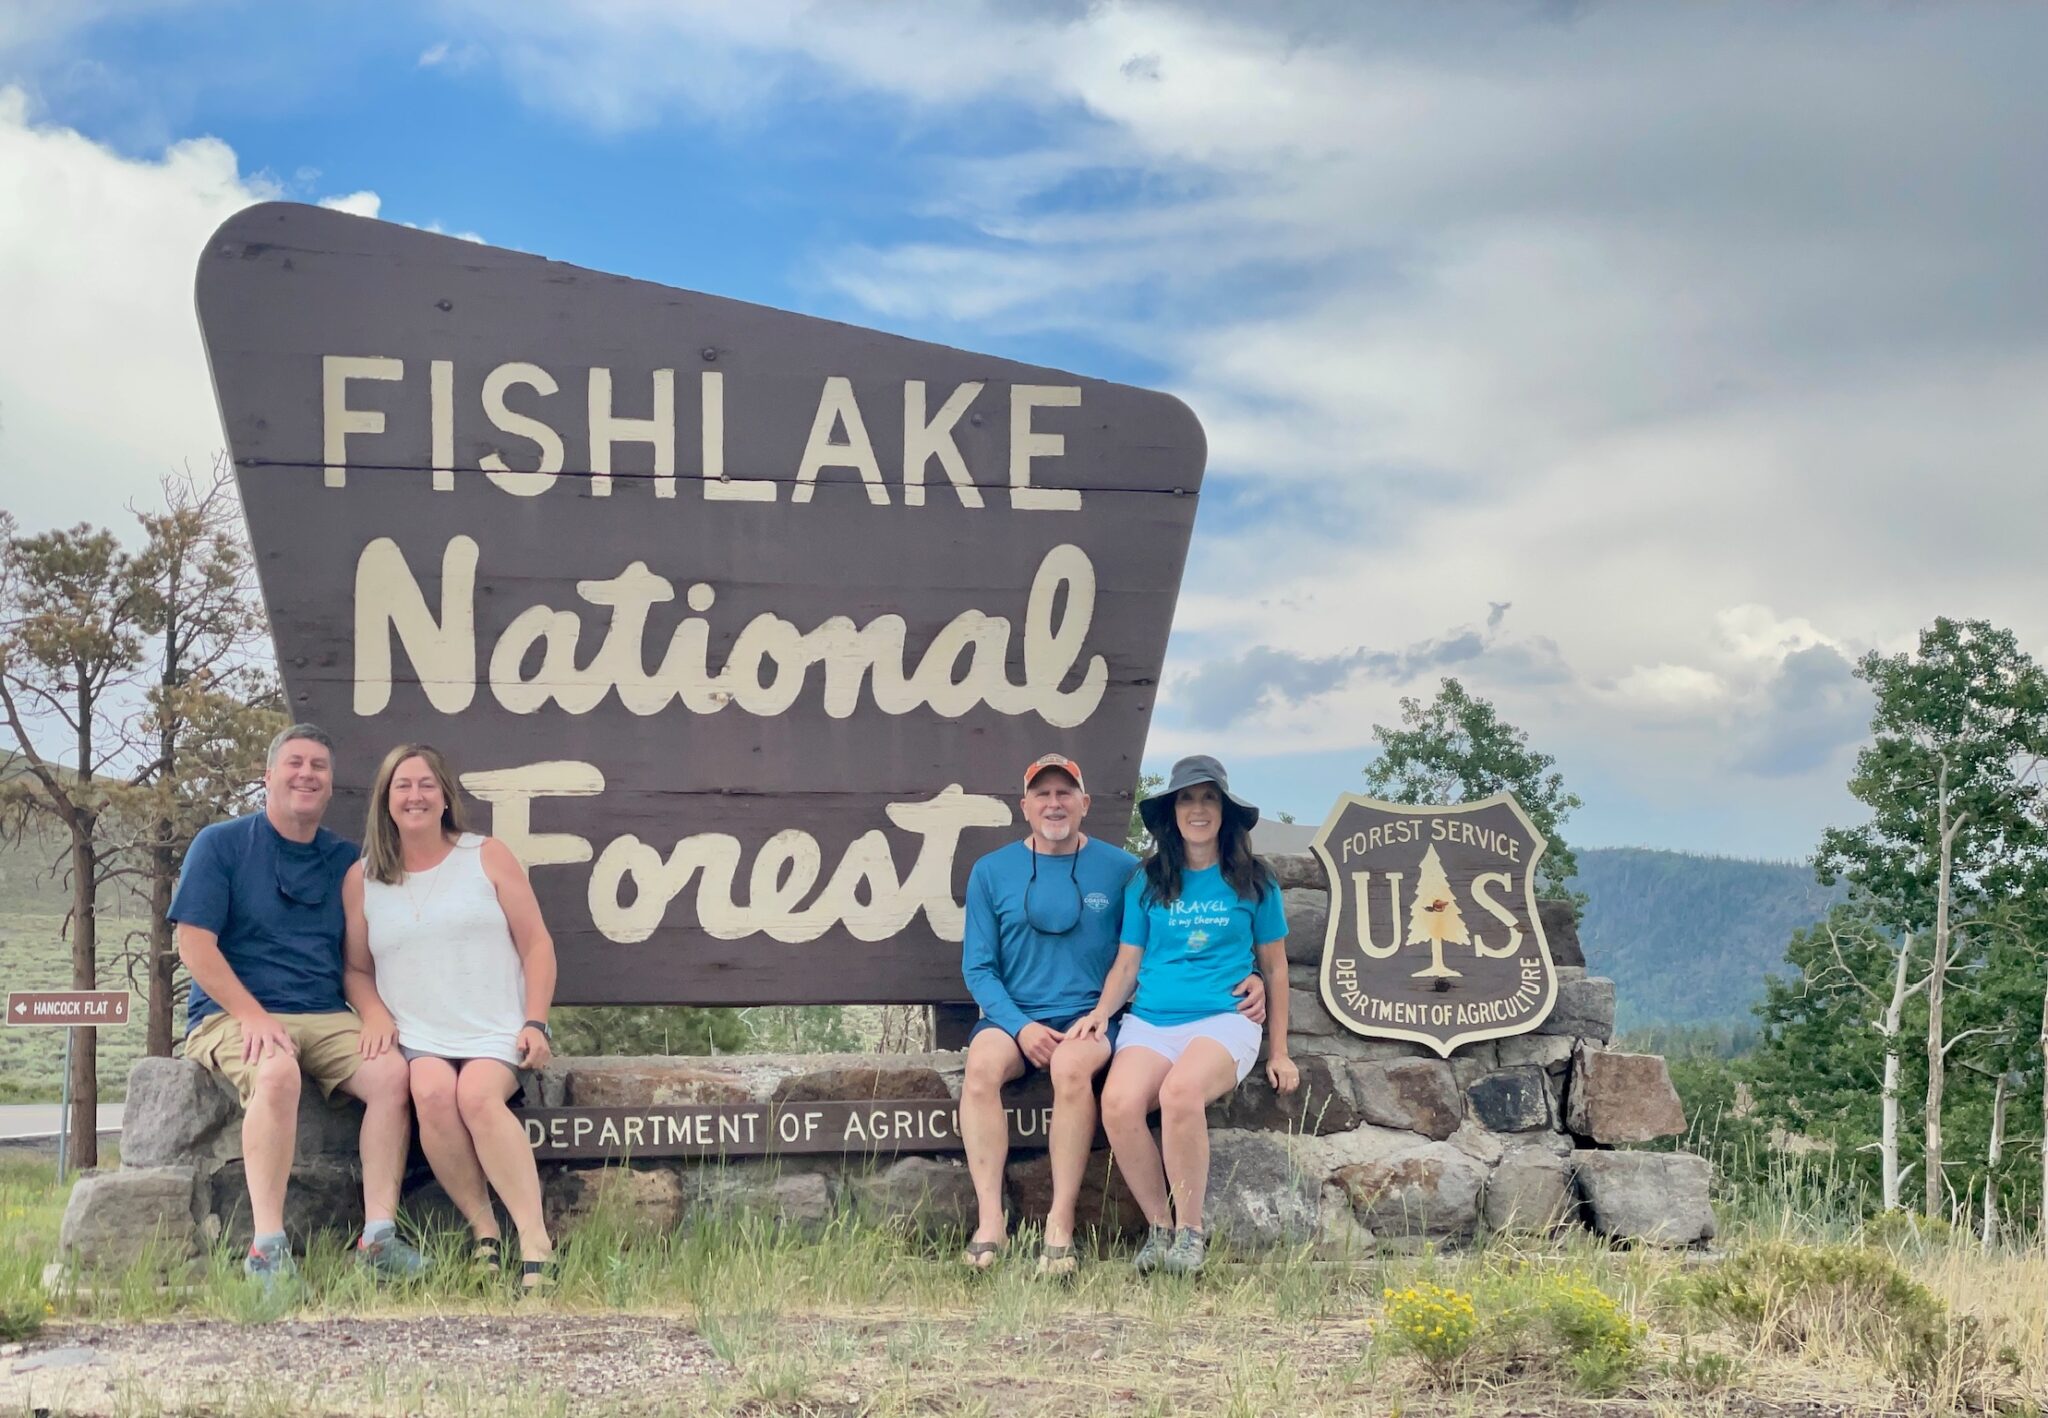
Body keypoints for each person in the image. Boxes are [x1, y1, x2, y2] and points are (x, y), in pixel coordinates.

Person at [957, 753, 1265, 1277]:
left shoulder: (1126, 871)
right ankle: (991, 1223)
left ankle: (1060, 1223)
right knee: (981, 1069)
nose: (1054, 804)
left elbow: (1170, 938)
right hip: (1016, 1018)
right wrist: (1021, 1026)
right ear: (1025, 806)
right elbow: (979, 968)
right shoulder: (991, 872)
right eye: (1042, 795)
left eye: (1065, 794)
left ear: (1085, 804)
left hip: (1091, 1019)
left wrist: (1252, 972)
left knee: (1072, 1068)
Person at [172, 723, 423, 1283]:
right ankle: (267, 1249)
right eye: (294, 763)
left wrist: (376, 1012)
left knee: (391, 1076)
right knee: (278, 1073)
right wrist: (251, 1014)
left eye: (319, 766)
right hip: (232, 1013)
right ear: (268, 776)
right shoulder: (221, 844)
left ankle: (378, 1240)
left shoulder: (346, 862)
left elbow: (360, 957)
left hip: (326, 1012)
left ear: (331, 786)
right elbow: (194, 944)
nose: (306, 774)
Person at [341, 743, 559, 1290]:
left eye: (425, 785)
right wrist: (372, 1014)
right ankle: (485, 1232)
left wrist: (536, 1021)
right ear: (385, 801)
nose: (414, 796)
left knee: (477, 1096)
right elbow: (357, 969)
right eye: (402, 786)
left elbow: (536, 945)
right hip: (418, 1035)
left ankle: (535, 1241)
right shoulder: (362, 879)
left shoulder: (486, 855)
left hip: (494, 1027)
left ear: (444, 796)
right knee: (433, 1092)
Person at [1070, 755, 1297, 1277]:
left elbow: (1276, 968)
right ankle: (1160, 1228)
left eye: (1209, 798)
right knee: (1120, 1103)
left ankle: (1191, 1234)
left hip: (1224, 1019)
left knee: (1179, 1093)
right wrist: (1101, 1014)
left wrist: (1280, 1051)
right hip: (1151, 1021)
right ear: (1171, 813)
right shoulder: (1147, 881)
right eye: (1187, 799)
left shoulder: (1254, 880)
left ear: (1225, 811)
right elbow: (1128, 962)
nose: (1198, 809)